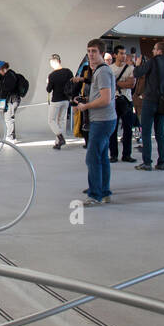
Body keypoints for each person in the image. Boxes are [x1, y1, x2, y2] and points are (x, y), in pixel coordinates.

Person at [73, 39, 116, 205]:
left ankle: (95, 194)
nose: (90, 54)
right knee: (101, 157)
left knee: (92, 158)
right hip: (102, 119)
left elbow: (105, 99)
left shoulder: (103, 72)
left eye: (94, 51)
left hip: (102, 120)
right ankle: (103, 191)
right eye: (89, 51)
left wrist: (86, 106)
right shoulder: (99, 71)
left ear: (101, 54)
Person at [135, 41, 164, 170]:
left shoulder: (153, 61)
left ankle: (147, 162)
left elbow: (138, 73)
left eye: (154, 49)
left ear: (159, 51)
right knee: (160, 133)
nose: (152, 51)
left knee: (146, 132)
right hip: (163, 101)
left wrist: (137, 65)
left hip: (150, 100)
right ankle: (162, 161)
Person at [107, 46, 137, 164]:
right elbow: (108, 84)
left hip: (127, 100)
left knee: (128, 129)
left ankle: (127, 154)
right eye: (120, 53)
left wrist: (116, 82)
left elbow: (131, 84)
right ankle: (113, 154)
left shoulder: (130, 68)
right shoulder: (109, 68)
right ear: (115, 55)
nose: (123, 56)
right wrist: (123, 83)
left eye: (124, 53)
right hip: (113, 100)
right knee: (113, 129)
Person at [46, 54, 74, 149]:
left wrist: (48, 82)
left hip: (56, 100)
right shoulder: (68, 72)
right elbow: (72, 84)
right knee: (61, 120)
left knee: (51, 120)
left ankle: (60, 137)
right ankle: (58, 143)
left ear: (54, 63)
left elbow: (49, 90)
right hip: (66, 99)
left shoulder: (52, 75)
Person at [0, 60, 23, 142]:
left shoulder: (10, 75)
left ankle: (11, 137)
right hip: (11, 99)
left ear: (2, 68)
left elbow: (8, 87)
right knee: (9, 118)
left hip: (12, 99)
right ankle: (11, 136)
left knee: (9, 118)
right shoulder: (7, 75)